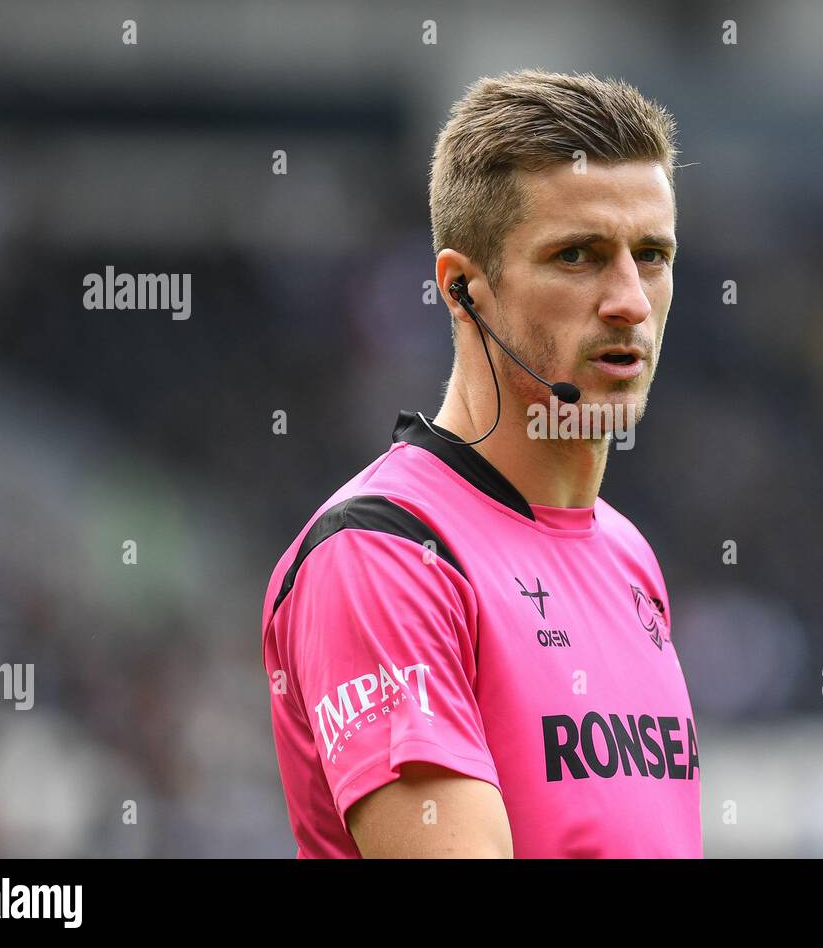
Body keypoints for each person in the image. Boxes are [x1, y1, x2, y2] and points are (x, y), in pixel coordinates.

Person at [262, 68, 700, 858]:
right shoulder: (384, 555)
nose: (630, 300)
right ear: (464, 290)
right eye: (579, 255)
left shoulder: (628, 556)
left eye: (653, 255)